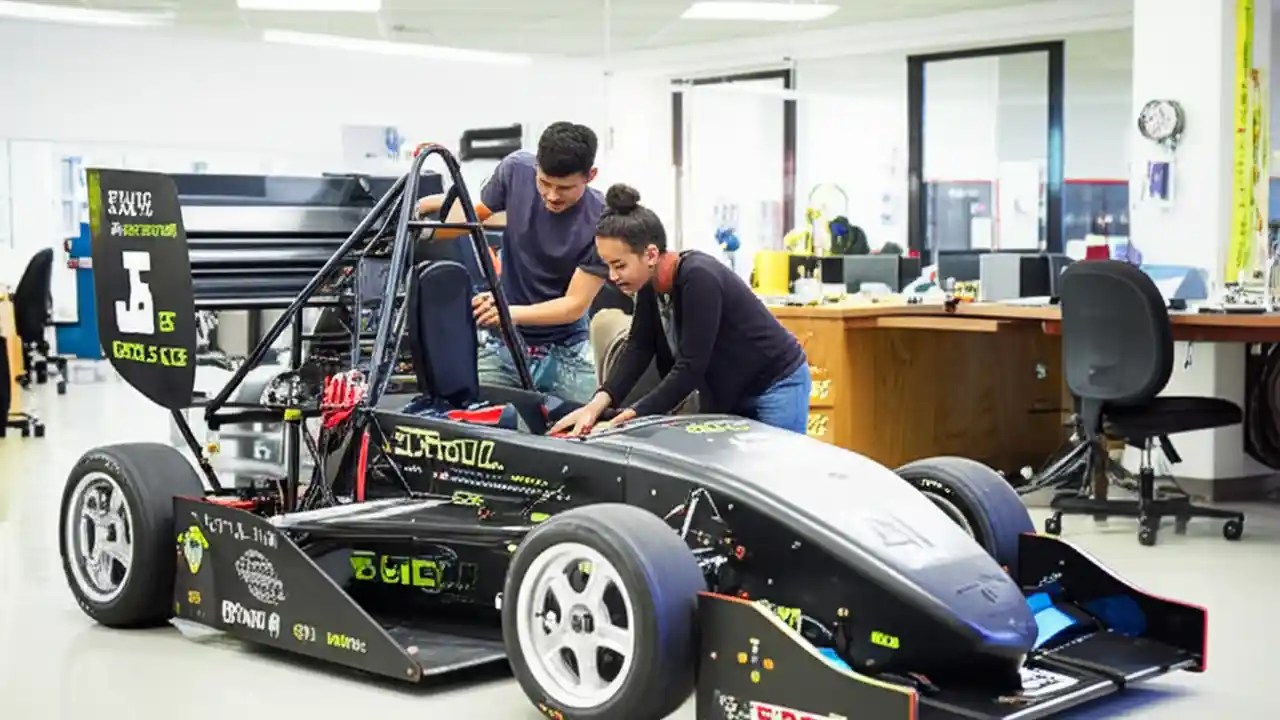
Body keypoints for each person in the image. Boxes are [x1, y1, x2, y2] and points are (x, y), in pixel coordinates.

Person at [551, 184, 811, 436]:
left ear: (651, 255)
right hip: (727, 389)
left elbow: (691, 367)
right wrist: (597, 404)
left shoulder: (699, 278)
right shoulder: (649, 285)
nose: (612, 276)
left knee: (771, 473)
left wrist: (633, 415)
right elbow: (638, 348)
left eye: (619, 265)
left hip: (775, 384)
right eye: (607, 265)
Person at [415, 122, 608, 402]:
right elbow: (474, 217)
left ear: (590, 176)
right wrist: (422, 232)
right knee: (467, 419)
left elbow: (574, 305)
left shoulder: (602, 220)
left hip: (567, 352)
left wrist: (506, 311)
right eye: (544, 183)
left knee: (587, 435)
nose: (552, 196)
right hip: (503, 345)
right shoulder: (516, 169)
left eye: (564, 188)